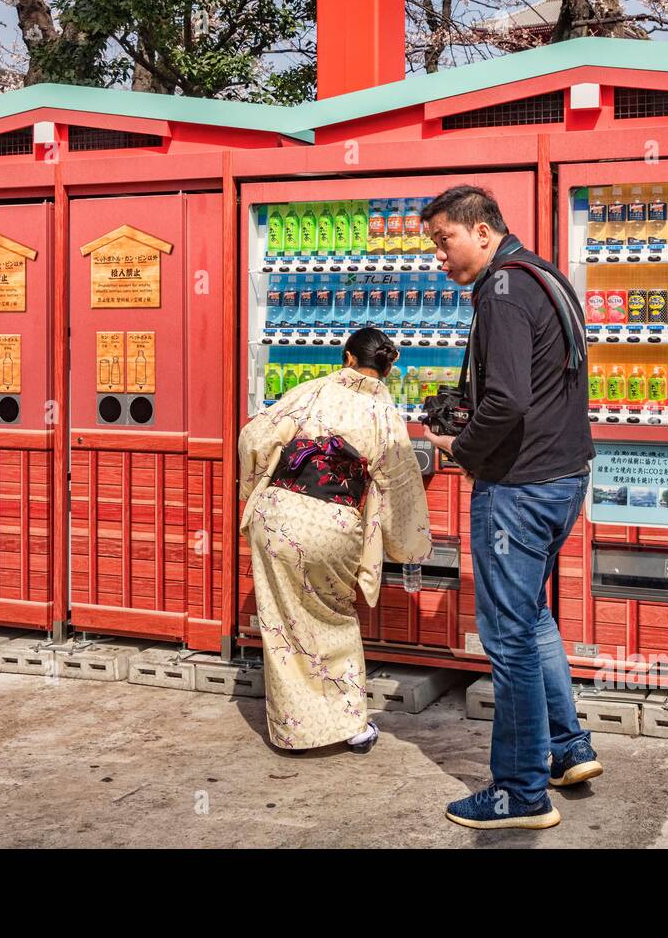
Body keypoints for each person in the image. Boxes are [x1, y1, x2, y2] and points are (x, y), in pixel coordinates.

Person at [420, 185, 602, 830]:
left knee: (509, 640)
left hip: (519, 489)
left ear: (484, 231)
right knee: (532, 619)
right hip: (564, 477)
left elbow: (505, 402)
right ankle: (568, 749)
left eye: (444, 241)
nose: (439, 256)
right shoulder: (545, 276)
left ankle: (519, 793)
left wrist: (458, 447)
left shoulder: (500, 291)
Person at [238, 329, 432, 756]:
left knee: (283, 627)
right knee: (334, 620)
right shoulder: (384, 415)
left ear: (347, 358)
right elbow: (402, 490)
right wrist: (411, 551)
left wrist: (252, 491)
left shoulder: (309, 392)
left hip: (277, 516)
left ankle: (295, 733)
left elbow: (254, 438)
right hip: (332, 521)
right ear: (387, 368)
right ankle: (351, 727)